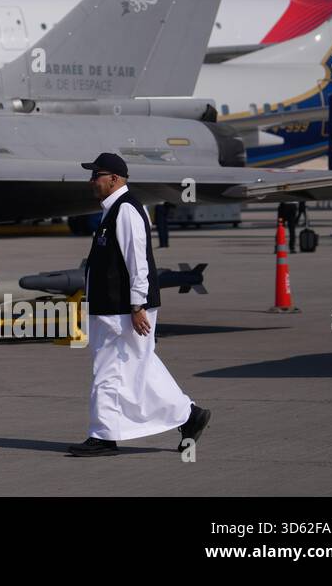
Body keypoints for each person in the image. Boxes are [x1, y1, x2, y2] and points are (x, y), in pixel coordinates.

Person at [68, 152, 211, 457]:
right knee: (140, 367)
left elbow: (139, 262)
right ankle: (190, 415)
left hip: (122, 310)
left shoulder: (126, 211)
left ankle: (103, 436)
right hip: (112, 308)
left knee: (108, 370)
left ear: (114, 179)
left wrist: (137, 306)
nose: (92, 181)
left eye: (97, 175)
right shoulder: (114, 210)